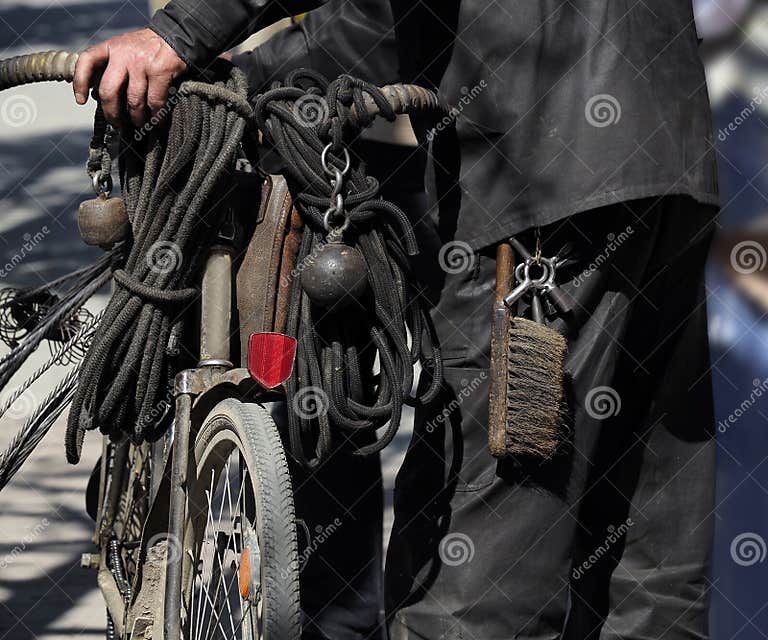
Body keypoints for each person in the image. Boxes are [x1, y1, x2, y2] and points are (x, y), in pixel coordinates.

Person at [74, 2, 720, 639]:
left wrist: (179, 36)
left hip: (542, 180)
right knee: (644, 531)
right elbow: (390, 14)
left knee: (483, 544)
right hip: (667, 161)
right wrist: (250, 71)